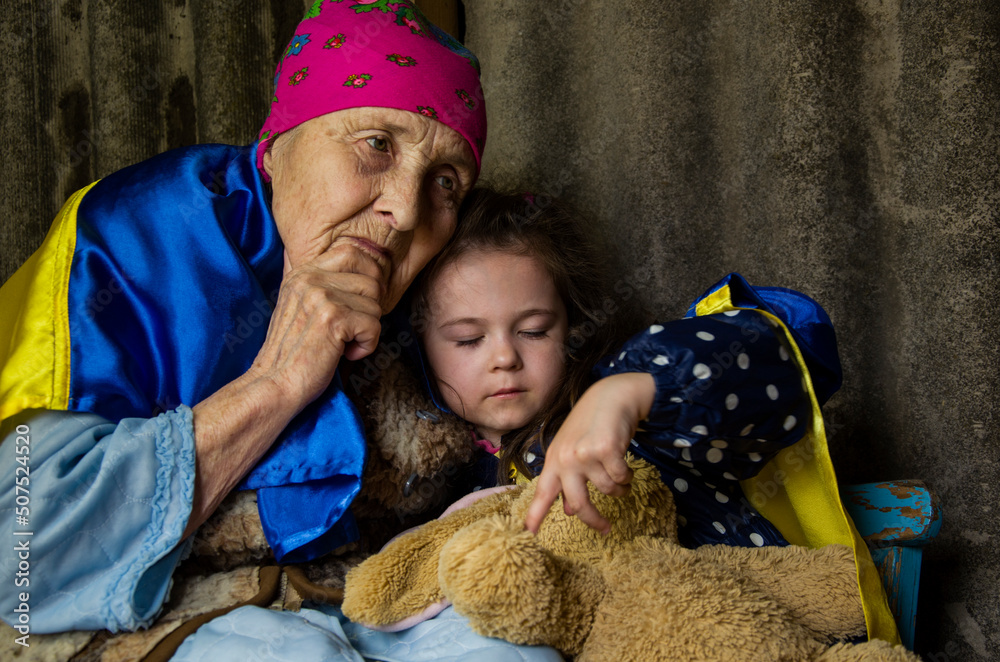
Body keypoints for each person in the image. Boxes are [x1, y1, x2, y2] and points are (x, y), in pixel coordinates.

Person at [0, 5, 563, 658]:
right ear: (277, 144)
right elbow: (21, 561)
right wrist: (278, 380)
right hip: (181, 614)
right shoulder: (128, 235)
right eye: (375, 144)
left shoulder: (445, 268)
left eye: (444, 182)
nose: (405, 210)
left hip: (375, 597)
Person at [410, 188, 898, 642]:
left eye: (534, 330)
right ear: (421, 349)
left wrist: (636, 390)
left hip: (742, 632)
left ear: (573, 325)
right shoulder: (433, 476)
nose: (504, 358)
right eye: (469, 339)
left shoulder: (634, 420)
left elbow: (793, 350)